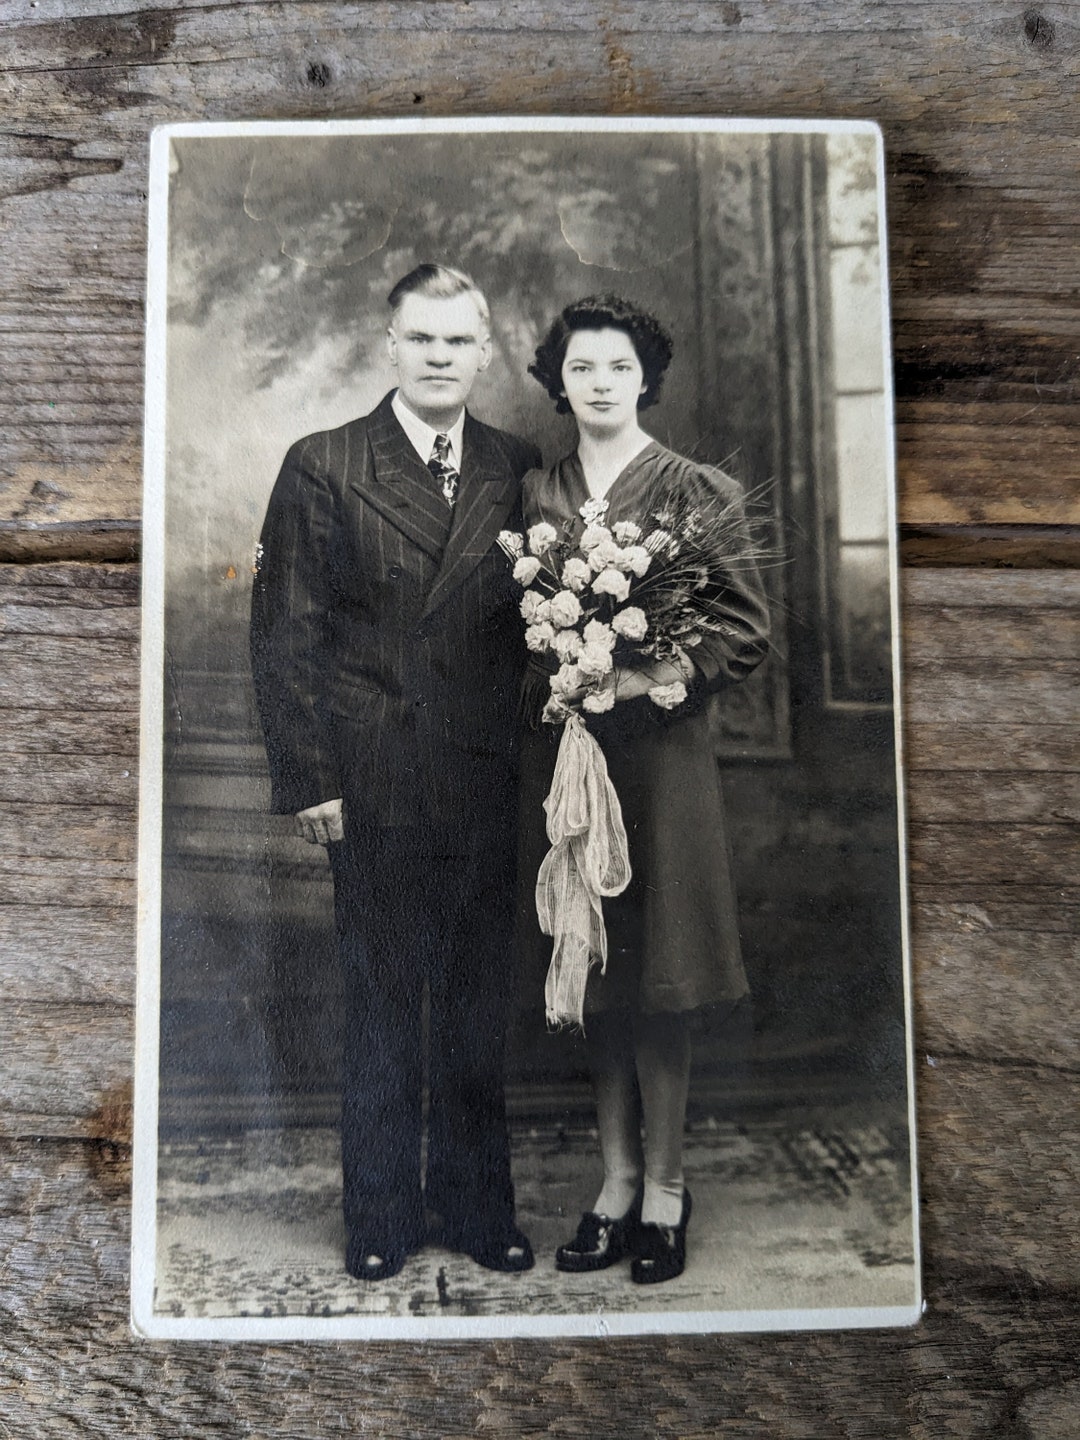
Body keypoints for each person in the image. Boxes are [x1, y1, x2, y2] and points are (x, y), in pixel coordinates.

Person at [250, 263, 542, 1282]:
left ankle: (474, 1209)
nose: (441, 359)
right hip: (372, 779)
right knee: (380, 1002)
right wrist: (310, 779)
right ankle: (377, 1214)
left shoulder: (516, 464)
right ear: (390, 345)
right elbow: (287, 633)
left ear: (484, 349)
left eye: (460, 342)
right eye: (423, 340)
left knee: (474, 1003)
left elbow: (534, 634)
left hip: (482, 774)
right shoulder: (325, 464)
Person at [521, 294, 770, 1283]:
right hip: (575, 760)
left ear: (644, 377)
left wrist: (642, 676)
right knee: (596, 966)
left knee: (660, 971)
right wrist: (556, 673)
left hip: (663, 765)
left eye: (618, 366)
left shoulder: (697, 488)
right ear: (560, 380)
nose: (599, 383)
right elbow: (514, 622)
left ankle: (666, 1187)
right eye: (581, 367)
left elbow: (745, 631)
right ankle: (614, 1181)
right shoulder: (537, 496)